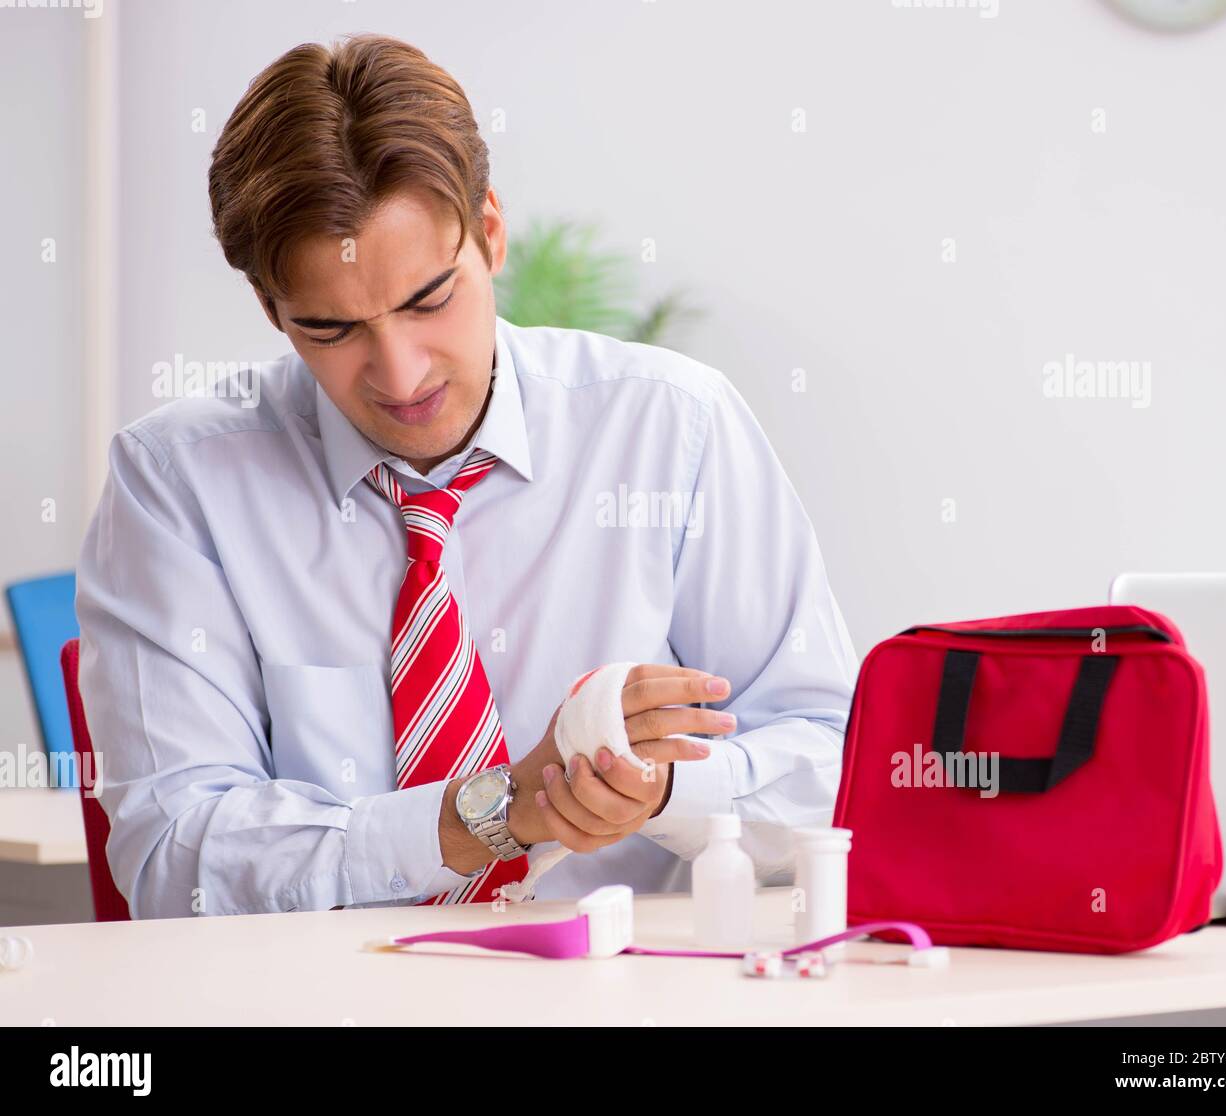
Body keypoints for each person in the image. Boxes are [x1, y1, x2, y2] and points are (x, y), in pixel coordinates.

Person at [74, 33, 858, 918]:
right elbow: (178, 856)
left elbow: (836, 766)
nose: (401, 376)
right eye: (332, 330)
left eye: (428, 300)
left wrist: (668, 791)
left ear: (488, 235)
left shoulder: (670, 428)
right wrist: (491, 813)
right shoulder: (179, 484)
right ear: (270, 307)